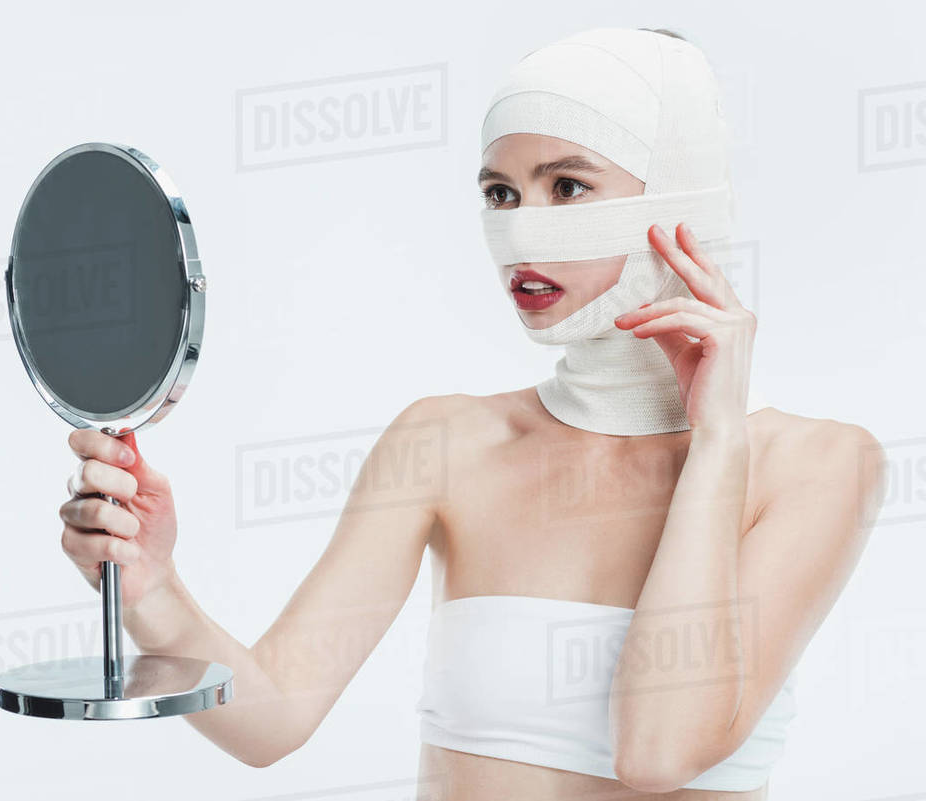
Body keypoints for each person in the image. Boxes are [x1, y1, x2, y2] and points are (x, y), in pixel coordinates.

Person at [57, 26, 887, 800]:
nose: (522, 234)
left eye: (568, 186)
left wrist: (716, 446)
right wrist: (155, 589)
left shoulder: (819, 465)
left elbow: (658, 750)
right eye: (501, 192)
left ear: (681, 200)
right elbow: (271, 720)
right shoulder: (446, 441)